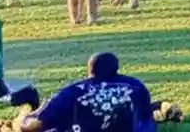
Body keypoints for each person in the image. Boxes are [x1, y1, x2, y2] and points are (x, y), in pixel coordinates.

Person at [17, 52, 155, 132]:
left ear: (90, 70)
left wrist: (29, 114)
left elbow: (32, 126)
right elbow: (145, 119)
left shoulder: (74, 90)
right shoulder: (136, 87)